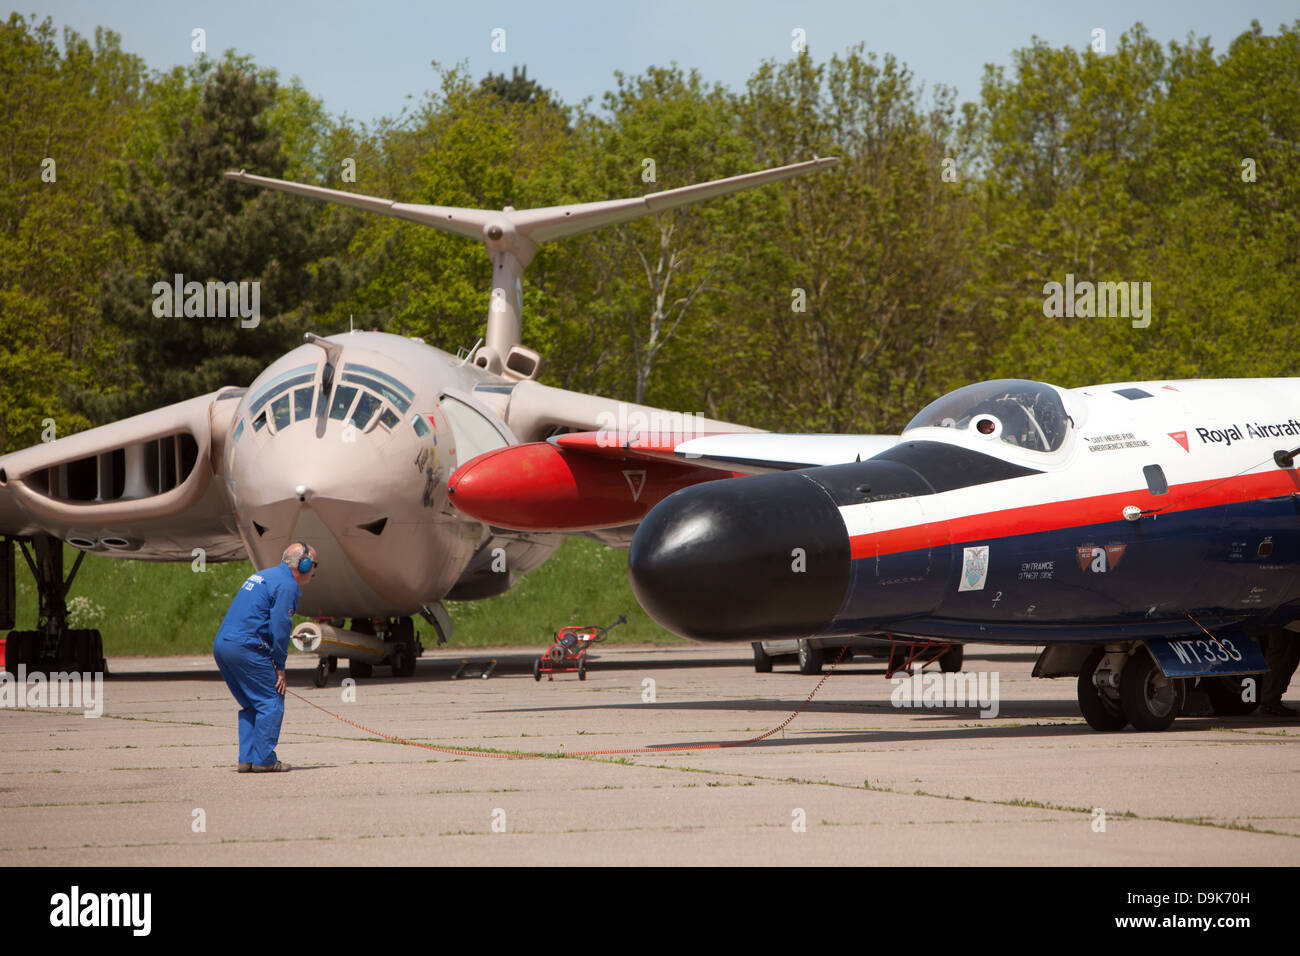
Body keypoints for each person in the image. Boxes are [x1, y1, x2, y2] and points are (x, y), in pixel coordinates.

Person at [213, 542, 318, 772]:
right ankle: (264, 760)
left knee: (252, 703)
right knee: (271, 700)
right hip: (245, 646)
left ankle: (247, 759)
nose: (314, 570)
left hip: (223, 645)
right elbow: (280, 629)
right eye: (314, 565)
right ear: (304, 564)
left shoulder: (263, 575)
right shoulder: (287, 585)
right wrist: (280, 666)